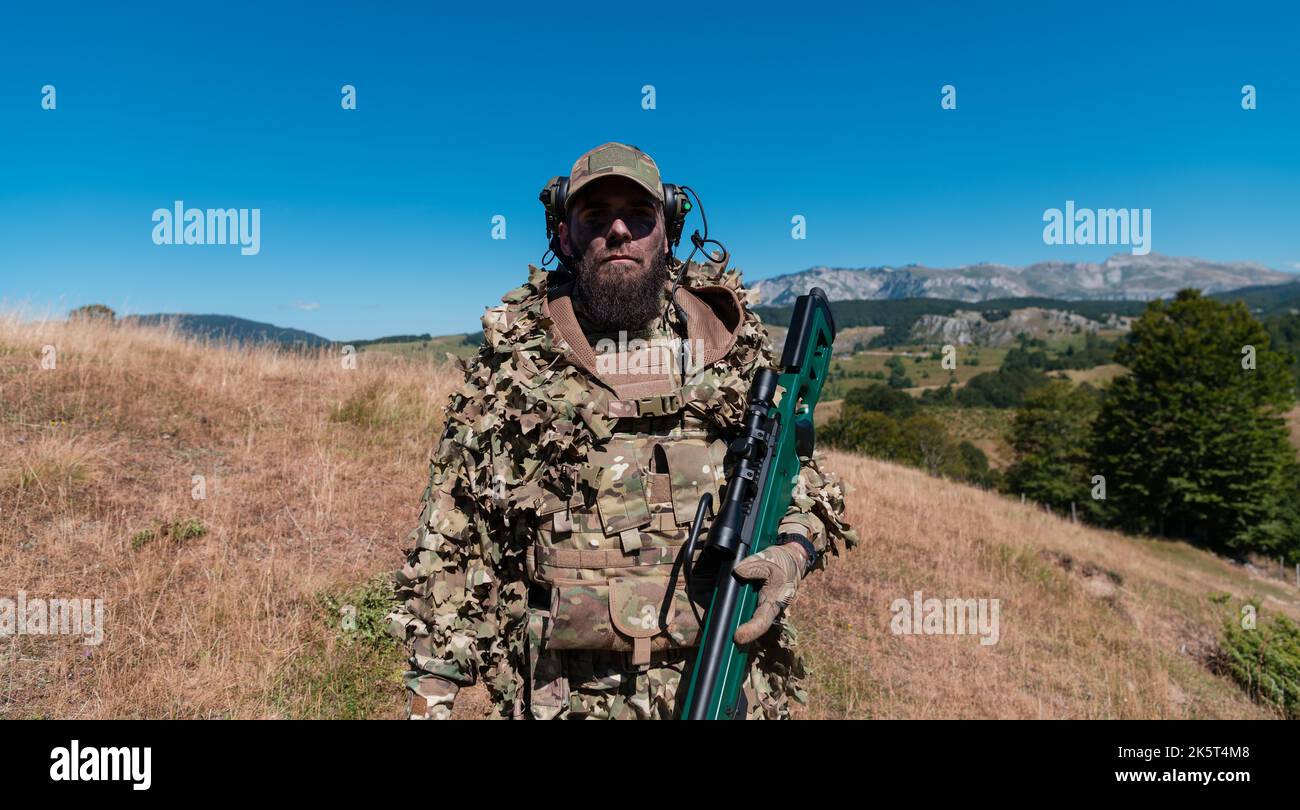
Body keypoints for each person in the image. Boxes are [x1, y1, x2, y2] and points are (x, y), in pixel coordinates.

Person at [387, 142, 856, 719]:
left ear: (668, 231)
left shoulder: (728, 349)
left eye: (639, 215)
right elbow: (455, 540)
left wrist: (793, 550)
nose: (618, 231)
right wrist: (432, 699)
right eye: (594, 215)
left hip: (722, 690)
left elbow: (801, 481)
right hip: (562, 702)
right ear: (564, 236)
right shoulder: (511, 370)